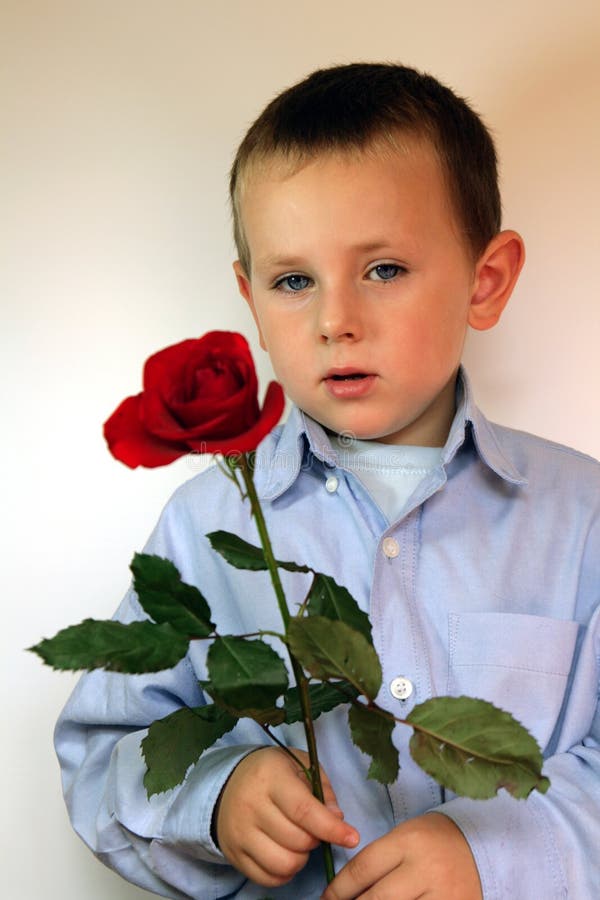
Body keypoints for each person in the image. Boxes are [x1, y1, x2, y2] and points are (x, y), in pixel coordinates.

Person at [54, 63, 600, 899]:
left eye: (384, 269)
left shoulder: (583, 516)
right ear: (250, 298)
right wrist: (215, 795)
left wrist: (499, 855)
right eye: (293, 281)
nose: (334, 320)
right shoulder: (205, 526)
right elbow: (101, 753)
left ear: (484, 281)